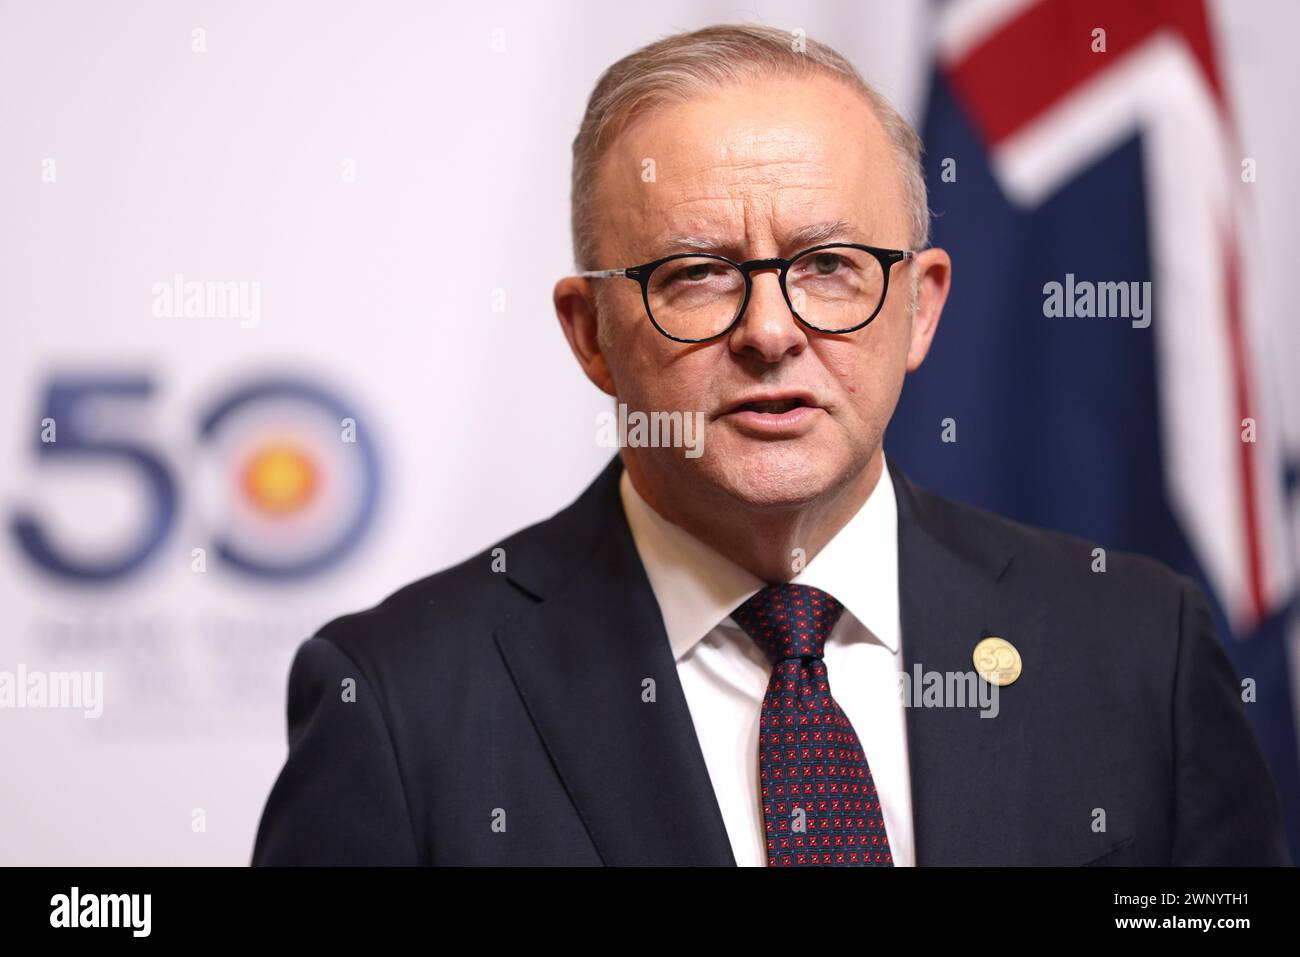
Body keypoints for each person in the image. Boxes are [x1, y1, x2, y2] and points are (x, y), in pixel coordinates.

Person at [251, 24, 1289, 866]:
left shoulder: (1135, 648)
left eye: (830, 264)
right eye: (697, 272)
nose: (771, 332)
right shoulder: (398, 701)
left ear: (920, 309)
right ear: (590, 335)